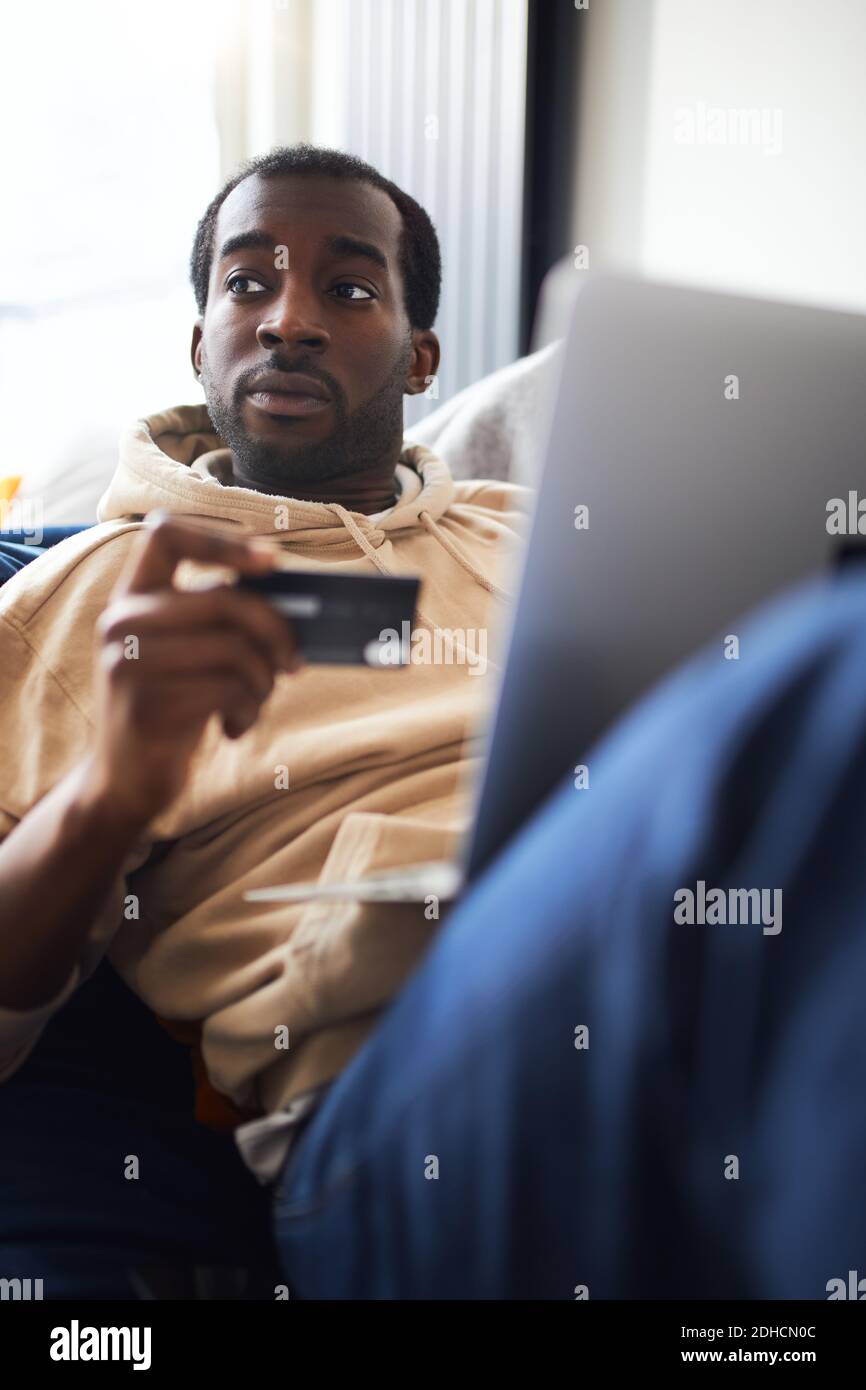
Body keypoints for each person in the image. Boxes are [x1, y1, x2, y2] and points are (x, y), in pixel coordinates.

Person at [0, 144, 528, 1294]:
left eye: (346, 288)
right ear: (200, 343)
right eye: (247, 282)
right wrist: (109, 799)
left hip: (663, 950)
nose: (287, 318)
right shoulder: (78, 599)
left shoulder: (533, 528)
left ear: (420, 354)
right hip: (403, 1097)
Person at [271, 570, 866, 1299]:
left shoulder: (525, 527)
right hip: (369, 1116)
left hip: (618, 908)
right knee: (838, 689)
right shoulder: (127, 582)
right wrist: (112, 792)